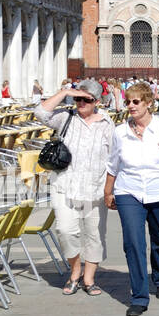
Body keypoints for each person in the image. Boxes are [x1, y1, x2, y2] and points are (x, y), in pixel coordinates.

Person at [102, 81, 159, 316]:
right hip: (128, 190)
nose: (130, 106)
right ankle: (139, 297)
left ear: (148, 104)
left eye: (135, 102)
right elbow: (113, 165)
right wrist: (107, 192)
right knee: (133, 242)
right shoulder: (120, 132)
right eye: (128, 101)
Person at [35, 80, 116, 296]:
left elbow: (114, 159)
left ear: (97, 101)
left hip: (96, 187)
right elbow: (40, 113)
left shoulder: (107, 123)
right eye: (77, 98)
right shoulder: (66, 118)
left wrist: (112, 189)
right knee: (65, 230)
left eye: (86, 99)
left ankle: (88, 279)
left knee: (95, 234)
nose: (80, 102)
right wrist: (64, 92)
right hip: (65, 184)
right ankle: (75, 269)